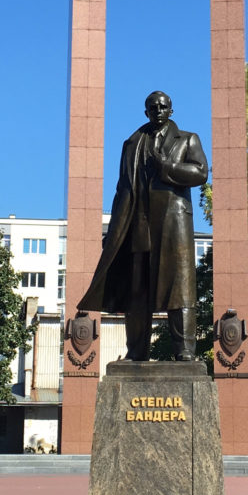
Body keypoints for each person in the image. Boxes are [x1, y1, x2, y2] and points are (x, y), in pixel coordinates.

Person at [78, 91, 209, 361]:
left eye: (163, 106)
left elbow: (200, 172)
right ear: (146, 111)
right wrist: (114, 231)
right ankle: (136, 351)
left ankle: (184, 350)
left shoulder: (188, 139)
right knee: (137, 290)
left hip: (173, 223)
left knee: (179, 287)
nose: (158, 110)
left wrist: (167, 168)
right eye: (153, 107)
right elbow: (122, 189)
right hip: (139, 221)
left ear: (171, 110)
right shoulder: (132, 144)